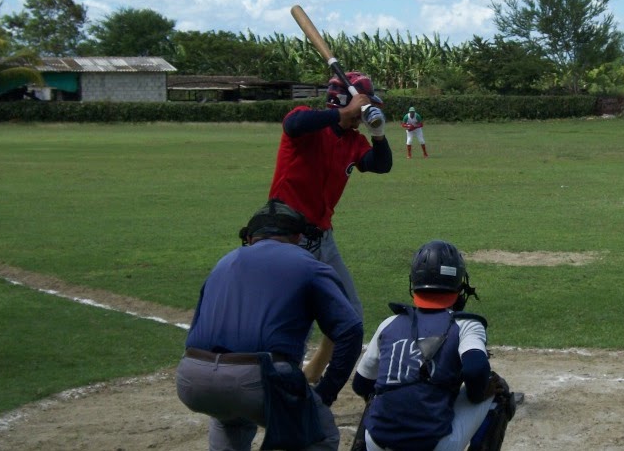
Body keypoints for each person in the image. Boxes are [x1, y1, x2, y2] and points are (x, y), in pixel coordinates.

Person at [176, 199, 364, 451]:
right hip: (255, 380)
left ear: (251, 238)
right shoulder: (309, 265)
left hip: (193, 379)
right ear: (298, 237)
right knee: (320, 435)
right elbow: (350, 330)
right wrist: (326, 392)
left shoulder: (224, 262)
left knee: (231, 419)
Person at [267, 71, 392, 383]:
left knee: (348, 314)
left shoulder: (353, 142)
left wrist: (378, 133)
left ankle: (311, 374)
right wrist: (344, 112)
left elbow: (382, 164)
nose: (361, 118)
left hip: (323, 238)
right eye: (362, 111)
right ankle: (277, 383)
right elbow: (293, 124)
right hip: (285, 237)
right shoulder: (307, 122)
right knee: (292, 320)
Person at [351, 240, 517, 451]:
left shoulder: (389, 324)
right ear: (459, 283)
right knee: (498, 389)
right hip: (433, 445)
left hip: (376, 442)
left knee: (377, 395)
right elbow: (476, 370)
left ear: (414, 282)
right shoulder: (465, 324)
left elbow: (360, 385)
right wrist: (477, 393)